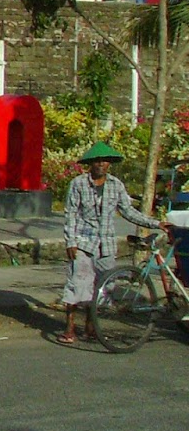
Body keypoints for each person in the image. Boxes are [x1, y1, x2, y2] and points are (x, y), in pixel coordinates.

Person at [59, 140, 166, 345]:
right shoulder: (78, 184)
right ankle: (69, 328)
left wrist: (156, 223)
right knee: (77, 286)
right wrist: (70, 242)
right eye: (97, 161)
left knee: (103, 288)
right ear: (90, 163)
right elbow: (70, 214)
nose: (101, 164)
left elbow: (128, 211)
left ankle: (91, 327)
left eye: (105, 161)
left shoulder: (116, 185)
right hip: (83, 243)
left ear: (109, 164)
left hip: (106, 245)